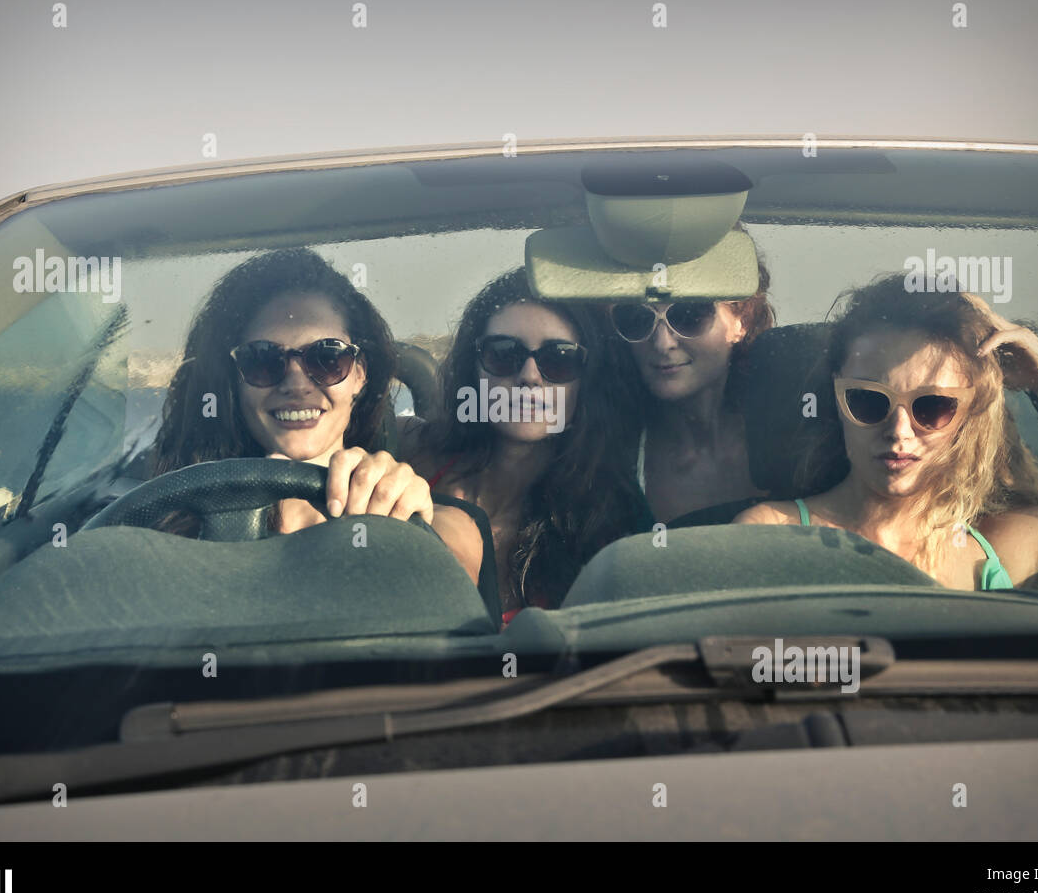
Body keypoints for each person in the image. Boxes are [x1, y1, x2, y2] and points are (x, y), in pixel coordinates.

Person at [734, 273, 1038, 591]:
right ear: (836, 401)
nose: (900, 431)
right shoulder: (771, 534)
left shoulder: (1012, 545)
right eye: (868, 401)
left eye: (933, 406)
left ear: (970, 416)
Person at [151, 247, 481, 582]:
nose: (297, 384)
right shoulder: (167, 522)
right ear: (234, 380)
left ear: (359, 373)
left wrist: (410, 526)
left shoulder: (420, 513)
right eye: (263, 360)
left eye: (327, 358)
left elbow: (460, 581)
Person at [401, 267, 645, 614]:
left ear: (587, 382)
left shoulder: (605, 521)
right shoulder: (409, 455)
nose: (529, 377)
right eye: (503, 354)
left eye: (559, 359)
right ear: (475, 369)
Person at [608, 240, 776, 523]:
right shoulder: (609, 453)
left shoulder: (793, 436)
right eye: (636, 319)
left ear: (741, 320)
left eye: (689, 315)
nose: (662, 343)